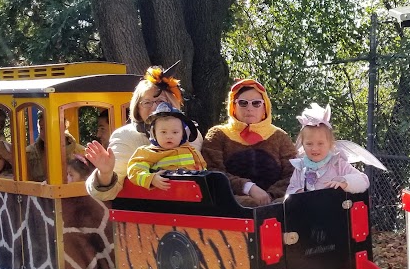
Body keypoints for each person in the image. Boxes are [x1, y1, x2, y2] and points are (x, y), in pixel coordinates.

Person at [83, 67, 203, 201]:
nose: (155, 108)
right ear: (137, 109)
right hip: (147, 210)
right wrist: (105, 173)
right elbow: (106, 194)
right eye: (147, 102)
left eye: (161, 102)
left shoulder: (192, 134)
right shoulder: (126, 137)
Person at [202, 79, 298, 206]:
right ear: (233, 106)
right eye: (243, 103)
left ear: (265, 107)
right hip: (231, 205)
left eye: (256, 103)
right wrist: (248, 187)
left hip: (276, 205)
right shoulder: (218, 134)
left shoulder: (280, 136)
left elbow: (293, 174)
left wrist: (270, 197)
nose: (249, 108)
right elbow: (213, 172)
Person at [286, 103, 369, 195]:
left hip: (334, 204)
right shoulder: (301, 166)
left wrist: (344, 183)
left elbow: (364, 181)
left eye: (320, 143)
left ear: (330, 144)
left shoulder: (337, 164)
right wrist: (298, 192)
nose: (315, 148)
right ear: (303, 144)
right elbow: (291, 189)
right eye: (309, 144)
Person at [126, 103, 206, 190]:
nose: (169, 136)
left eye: (175, 132)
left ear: (183, 134)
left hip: (189, 193)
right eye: (163, 132)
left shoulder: (191, 151)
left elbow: (203, 170)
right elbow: (134, 171)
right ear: (154, 133)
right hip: (163, 194)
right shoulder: (147, 152)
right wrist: (151, 179)